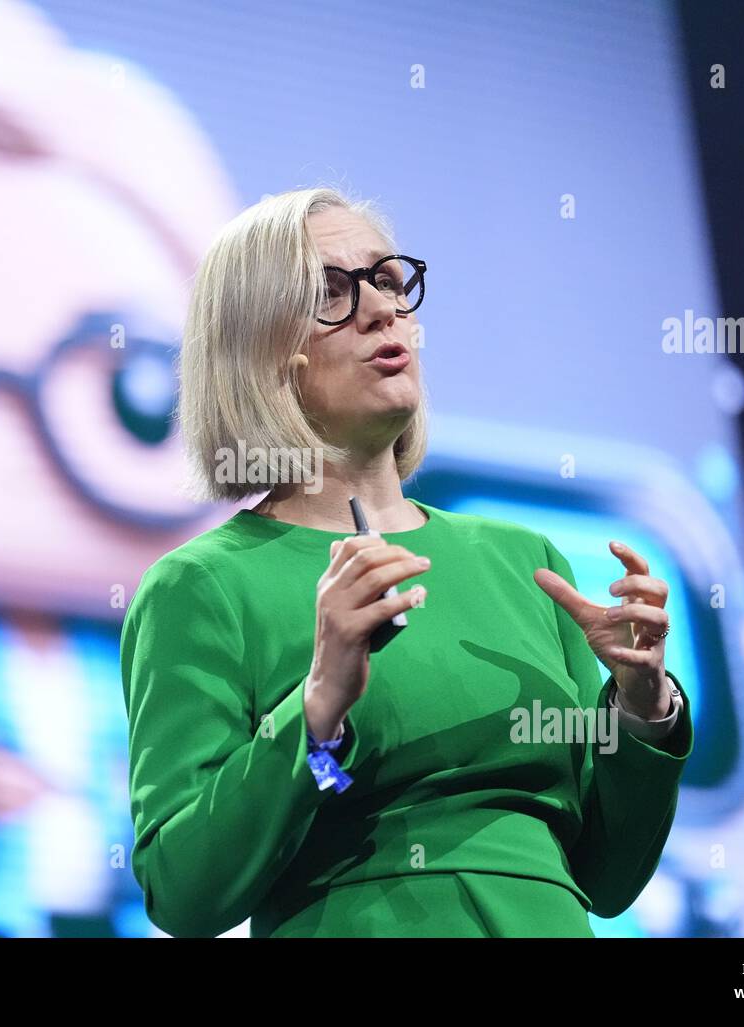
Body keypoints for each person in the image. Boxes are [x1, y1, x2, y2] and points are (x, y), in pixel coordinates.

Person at [120, 186, 692, 938]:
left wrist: (641, 707)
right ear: (257, 349)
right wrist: (318, 704)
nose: (382, 310)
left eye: (388, 280)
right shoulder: (204, 586)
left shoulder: (525, 563)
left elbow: (606, 876)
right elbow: (184, 891)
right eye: (331, 292)